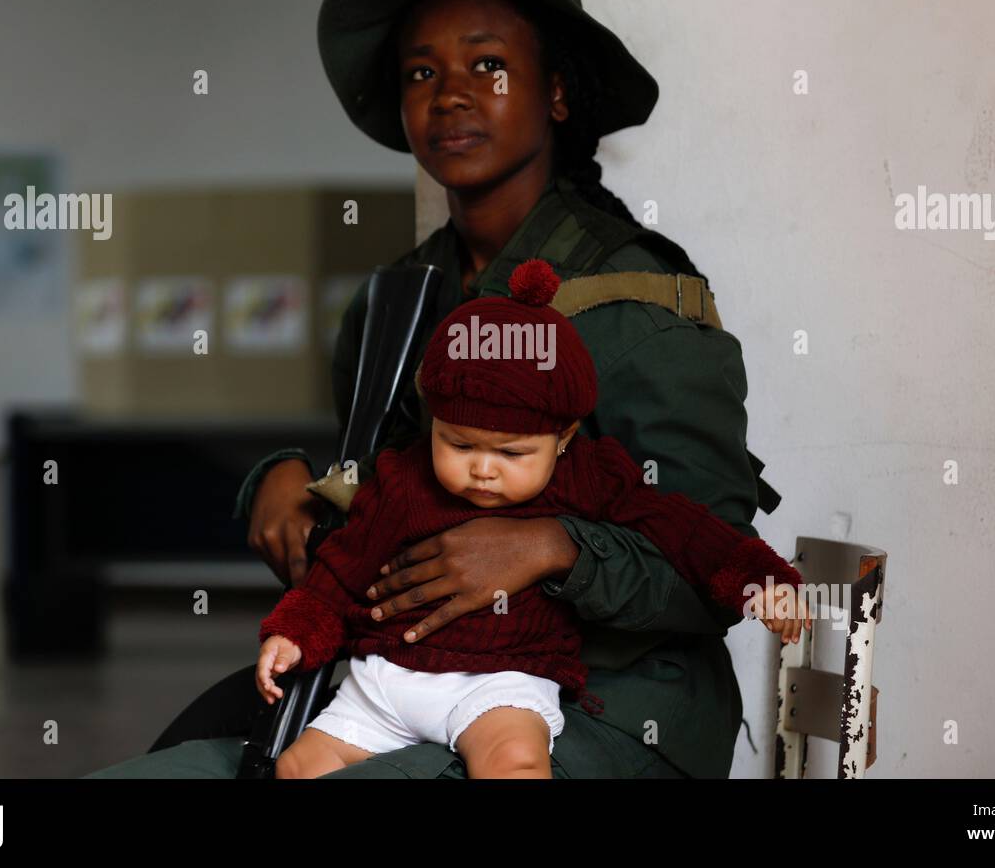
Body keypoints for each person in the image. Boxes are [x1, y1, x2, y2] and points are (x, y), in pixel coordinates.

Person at [86, 0, 784, 779]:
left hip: (609, 703)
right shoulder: (397, 301)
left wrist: (550, 546)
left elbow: (708, 559)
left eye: (488, 65)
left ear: (557, 93)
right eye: (422, 72)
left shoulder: (637, 300)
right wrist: (290, 487)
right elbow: (387, 491)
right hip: (403, 681)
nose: (450, 94)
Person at [258, 259, 808, 779]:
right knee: (295, 766)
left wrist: (759, 580)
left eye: (512, 454)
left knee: (515, 762)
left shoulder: (591, 475)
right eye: (458, 442)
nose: (482, 469)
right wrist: (295, 633)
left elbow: (683, 528)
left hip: (498, 685)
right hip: (386, 678)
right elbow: (342, 565)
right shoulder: (404, 477)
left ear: (563, 437)